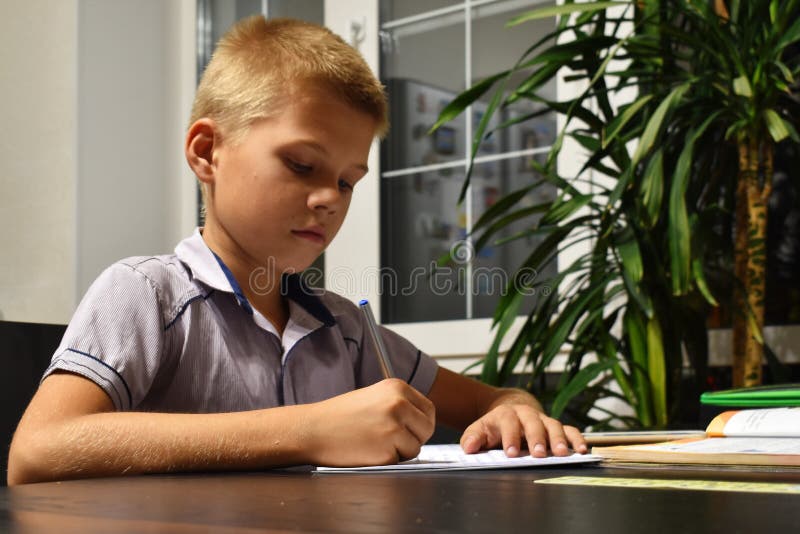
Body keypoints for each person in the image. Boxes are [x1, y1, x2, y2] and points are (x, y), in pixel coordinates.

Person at [7, 16, 586, 485]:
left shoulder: (344, 328)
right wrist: (311, 429)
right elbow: (38, 450)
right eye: (302, 165)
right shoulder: (146, 294)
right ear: (208, 151)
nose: (328, 199)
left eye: (346, 181)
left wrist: (516, 407)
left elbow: (496, 397)